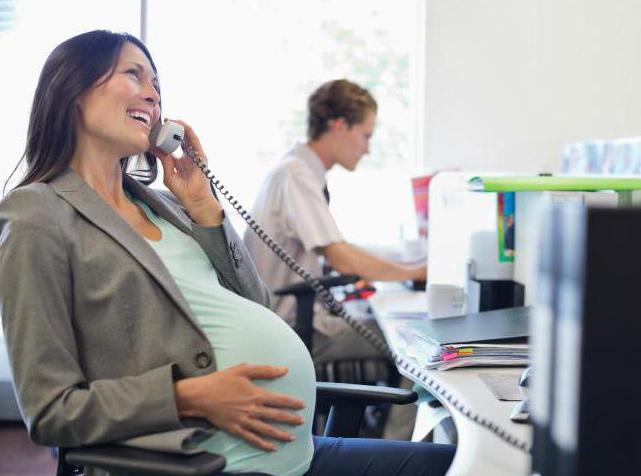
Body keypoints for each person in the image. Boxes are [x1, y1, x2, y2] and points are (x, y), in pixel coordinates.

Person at [0, 30, 454, 476]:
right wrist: (189, 396)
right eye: (134, 76)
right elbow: (51, 412)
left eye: (156, 84)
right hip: (204, 460)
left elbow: (258, 306)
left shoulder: (167, 204)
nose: (152, 95)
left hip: (293, 451)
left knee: (460, 464)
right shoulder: (37, 215)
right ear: (72, 89)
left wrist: (204, 206)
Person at [243, 80, 426, 431]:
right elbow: (340, 256)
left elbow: (335, 248)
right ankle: (394, 455)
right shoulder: (295, 175)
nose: (368, 149)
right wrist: (415, 271)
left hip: (297, 317)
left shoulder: (299, 171)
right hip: (295, 326)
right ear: (339, 126)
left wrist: (404, 263)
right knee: (414, 346)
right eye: (366, 136)